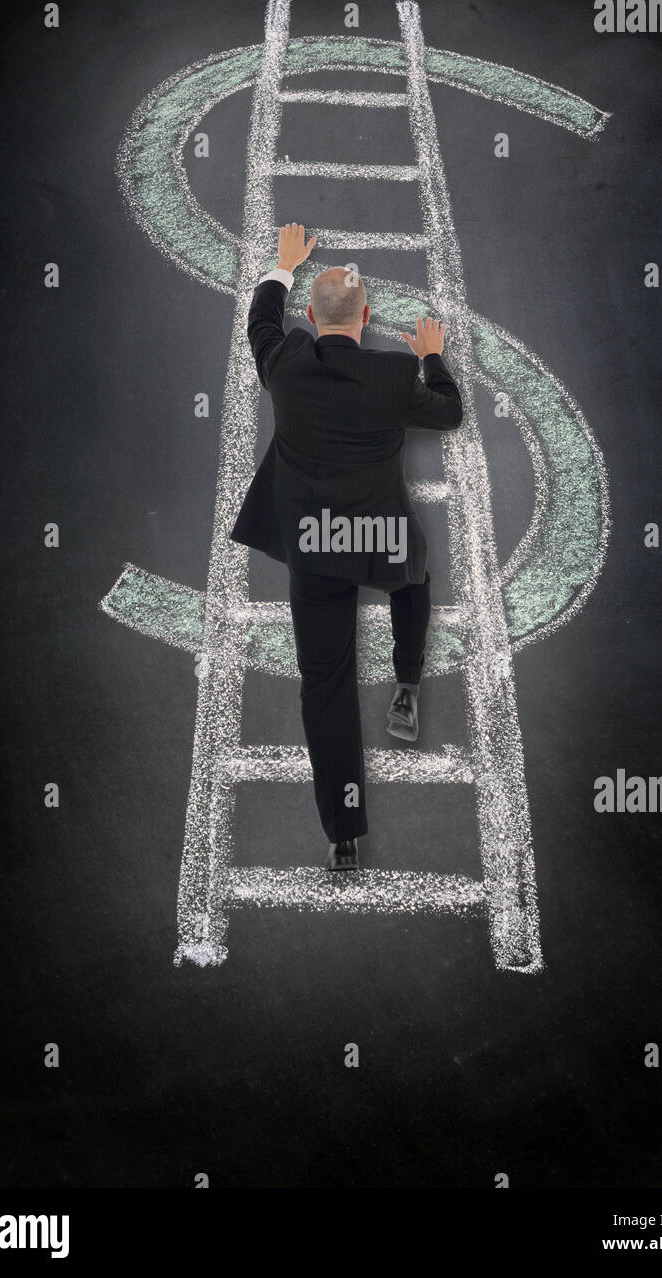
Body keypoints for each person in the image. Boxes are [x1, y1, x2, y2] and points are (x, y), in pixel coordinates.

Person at [230, 223, 463, 871]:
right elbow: (448, 413)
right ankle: (407, 680)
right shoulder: (392, 375)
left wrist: (283, 265)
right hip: (378, 536)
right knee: (412, 575)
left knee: (324, 685)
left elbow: (261, 320)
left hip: (316, 544)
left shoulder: (286, 364)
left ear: (312, 316)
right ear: (367, 317)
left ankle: (342, 834)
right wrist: (432, 357)